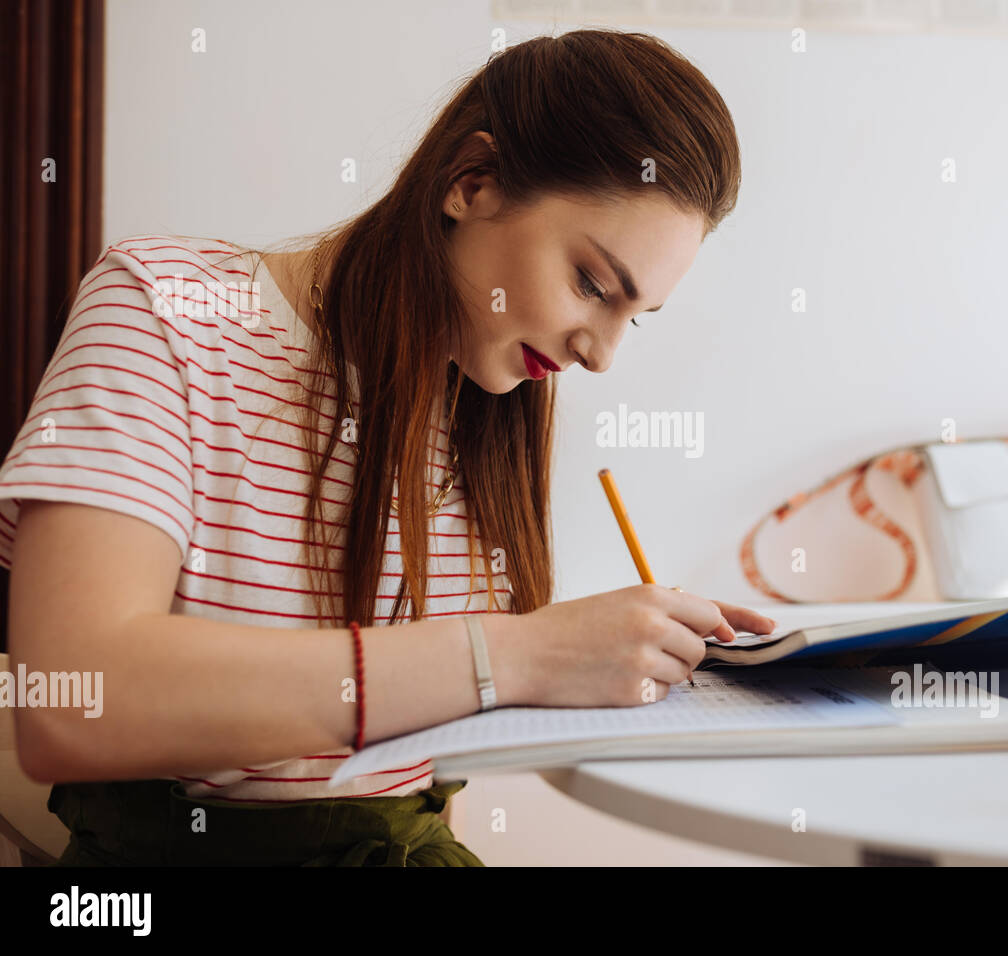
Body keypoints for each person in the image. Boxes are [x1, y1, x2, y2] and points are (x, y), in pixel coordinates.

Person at [0, 28, 774, 866]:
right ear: (470, 182)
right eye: (591, 284)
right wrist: (512, 655)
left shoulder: (491, 397)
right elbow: (71, 702)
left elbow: (418, 798)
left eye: (635, 316)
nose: (601, 352)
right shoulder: (168, 309)